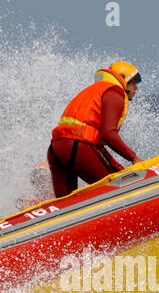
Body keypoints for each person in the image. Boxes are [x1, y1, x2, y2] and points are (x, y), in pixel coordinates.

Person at [47, 61, 142, 196]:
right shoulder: (115, 93)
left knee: (66, 204)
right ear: (124, 81)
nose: (136, 89)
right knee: (118, 191)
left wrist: (120, 168)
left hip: (56, 149)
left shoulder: (92, 90)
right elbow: (108, 134)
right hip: (78, 147)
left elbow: (96, 144)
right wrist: (134, 158)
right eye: (134, 83)